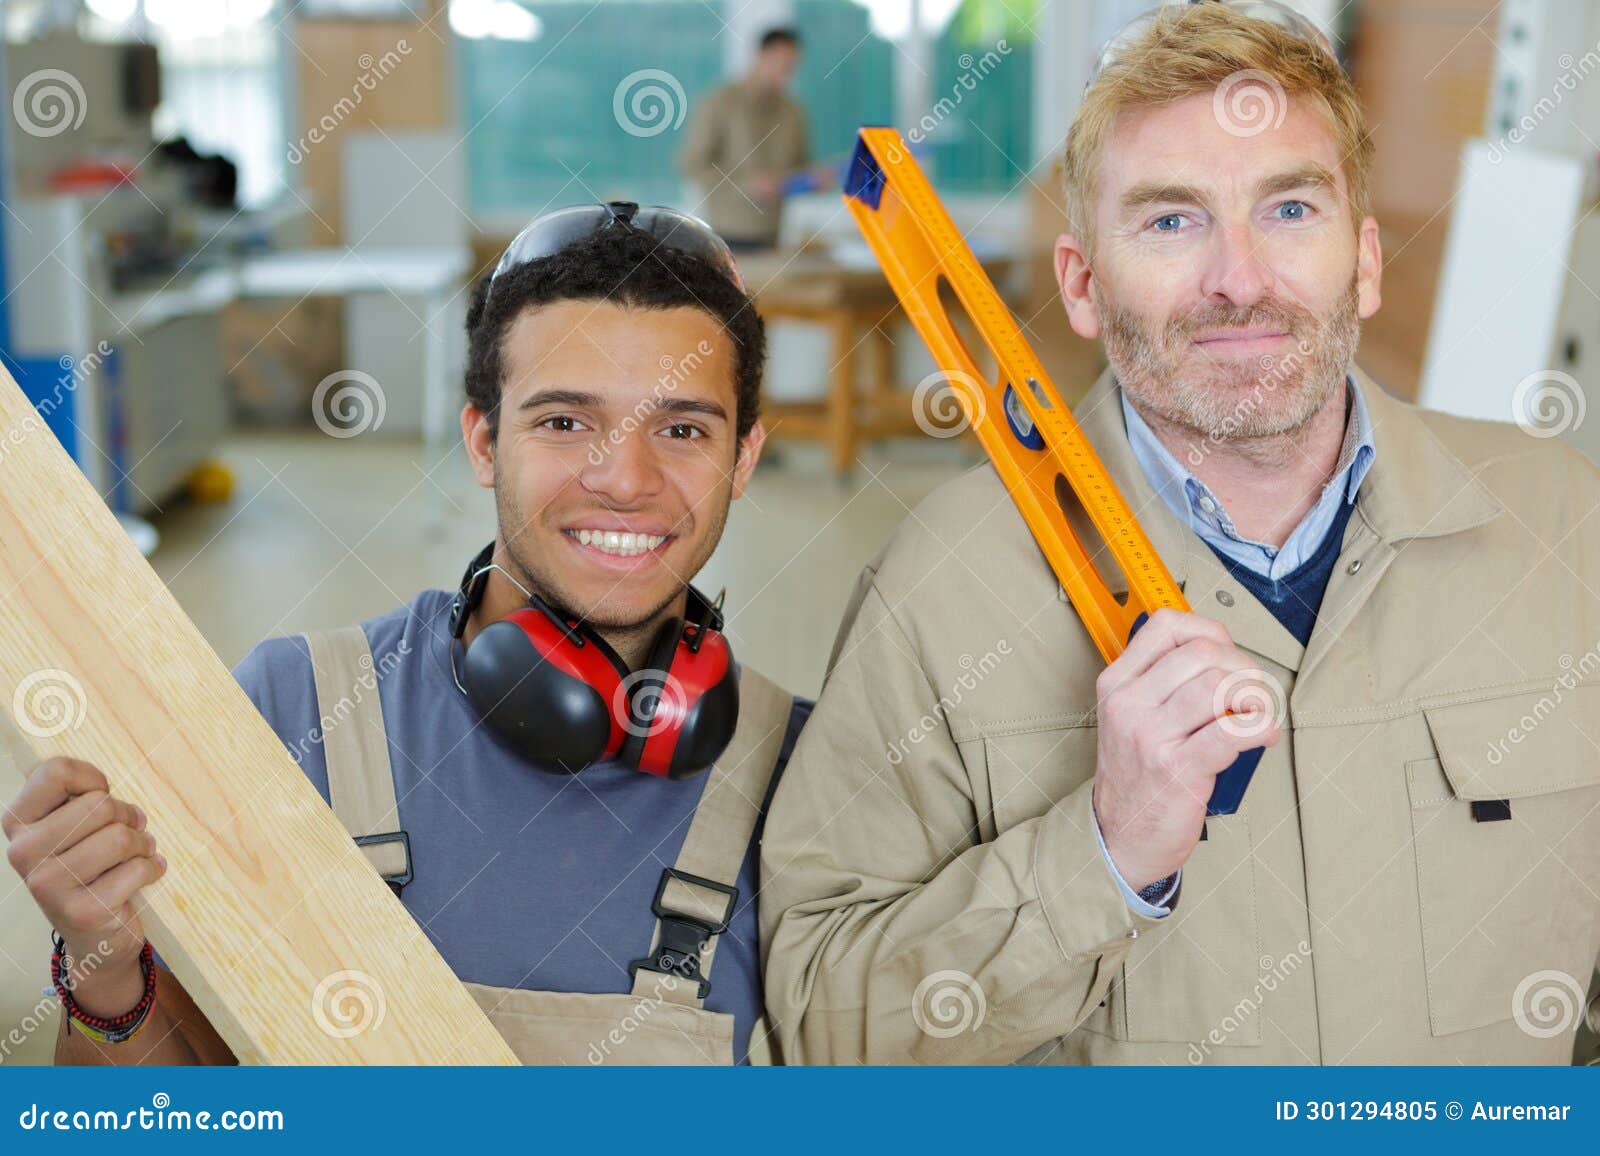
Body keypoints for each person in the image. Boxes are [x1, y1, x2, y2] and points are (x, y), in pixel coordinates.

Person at [759, 0, 1600, 1064]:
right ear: (1081, 285)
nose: (1238, 280)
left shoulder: (1568, 522)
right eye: (1170, 220)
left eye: (1289, 210)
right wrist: (1101, 852)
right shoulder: (939, 588)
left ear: (1367, 259)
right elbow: (826, 1026)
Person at [4, 202, 809, 1066]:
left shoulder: (800, 772)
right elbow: (162, 1119)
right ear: (483, 441)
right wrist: (105, 969)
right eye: (565, 422)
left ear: (745, 458)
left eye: (683, 428)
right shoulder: (293, 705)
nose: (624, 480)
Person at [678, 26, 828, 250]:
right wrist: (746, 185)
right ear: (761, 55)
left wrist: (812, 180)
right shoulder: (719, 102)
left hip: (773, 237)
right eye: (781, 64)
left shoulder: (793, 111)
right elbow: (691, 164)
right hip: (725, 237)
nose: (786, 73)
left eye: (791, 67)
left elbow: (801, 167)